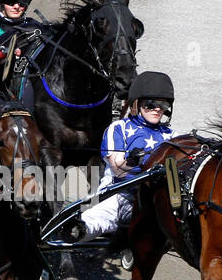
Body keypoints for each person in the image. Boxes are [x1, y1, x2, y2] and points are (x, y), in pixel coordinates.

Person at [62, 70, 175, 241]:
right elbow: (119, 170)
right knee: (95, 219)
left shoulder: (173, 136)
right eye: (151, 104)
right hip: (120, 192)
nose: (158, 109)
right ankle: (79, 229)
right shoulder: (119, 128)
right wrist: (135, 160)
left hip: (158, 197)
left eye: (164, 105)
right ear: (136, 104)